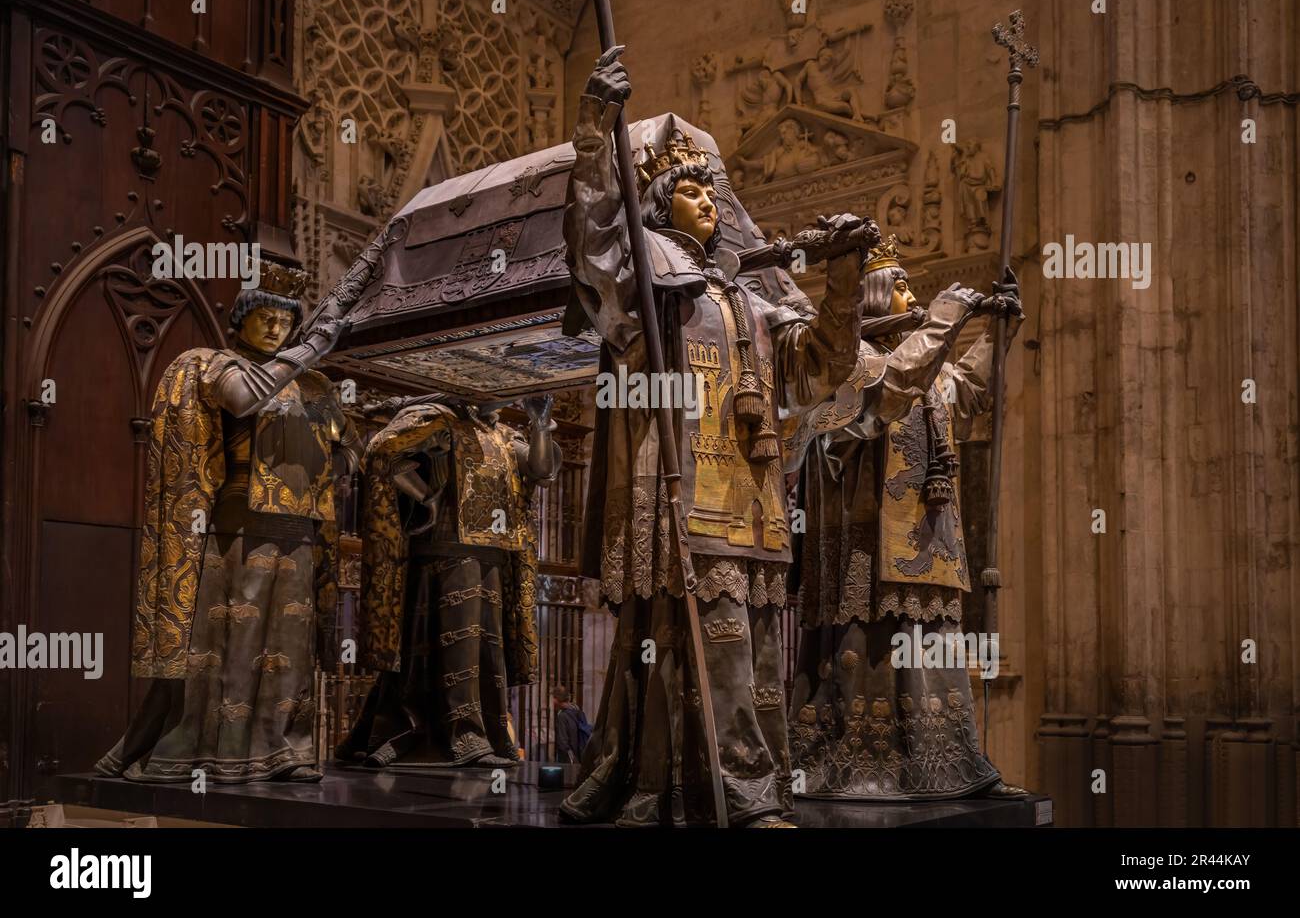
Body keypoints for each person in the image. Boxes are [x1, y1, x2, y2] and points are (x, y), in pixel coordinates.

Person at [559, 46, 878, 827]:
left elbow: (821, 367)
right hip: (681, 493)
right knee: (706, 647)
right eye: (690, 190)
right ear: (663, 208)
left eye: (711, 190)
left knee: (757, 659)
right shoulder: (653, 282)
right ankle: (735, 798)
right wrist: (595, 134)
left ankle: (696, 789)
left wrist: (842, 275)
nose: (708, 201)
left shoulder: (752, 301)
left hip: (751, 502)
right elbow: (596, 247)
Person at [95, 258, 364, 784]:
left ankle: (281, 748)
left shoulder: (315, 388)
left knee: (289, 650)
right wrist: (309, 349)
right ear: (239, 320)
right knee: (228, 646)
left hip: (300, 529)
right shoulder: (215, 364)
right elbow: (243, 399)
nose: (275, 327)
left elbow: (353, 450)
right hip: (237, 526)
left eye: (285, 320)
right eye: (264, 315)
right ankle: (204, 751)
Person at [786, 236, 1030, 800]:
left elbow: (965, 390)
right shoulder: (849, 369)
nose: (912, 294)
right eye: (899, 286)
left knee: (933, 660)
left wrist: (999, 331)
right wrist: (945, 320)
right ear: (871, 296)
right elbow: (885, 396)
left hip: (929, 549)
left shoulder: (926, 371)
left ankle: (947, 767)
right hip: (865, 556)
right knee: (873, 657)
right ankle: (861, 768)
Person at [335, 394, 560, 768]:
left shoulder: (504, 435)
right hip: (445, 548)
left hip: (494, 552)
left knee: (487, 649)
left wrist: (540, 423)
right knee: (455, 644)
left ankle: (485, 734)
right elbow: (382, 454)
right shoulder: (437, 420)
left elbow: (542, 470)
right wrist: (426, 497)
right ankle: (461, 736)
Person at [551, 686, 592, 764]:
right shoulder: (577, 710)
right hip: (580, 755)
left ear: (556, 699)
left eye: (553, 698)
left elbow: (563, 742)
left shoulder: (562, 716)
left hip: (569, 758)